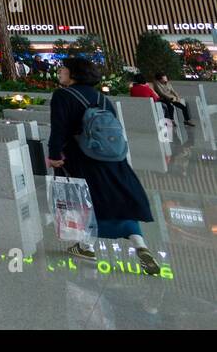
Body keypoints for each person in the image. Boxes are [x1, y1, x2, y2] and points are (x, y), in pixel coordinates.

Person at [47, 57, 160, 275]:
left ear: (73, 73)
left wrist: (53, 155)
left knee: (84, 202)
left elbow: (58, 128)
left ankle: (86, 245)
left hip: (80, 157)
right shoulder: (102, 97)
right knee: (118, 200)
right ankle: (140, 245)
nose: (60, 72)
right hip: (112, 159)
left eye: (63, 69)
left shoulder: (63, 95)